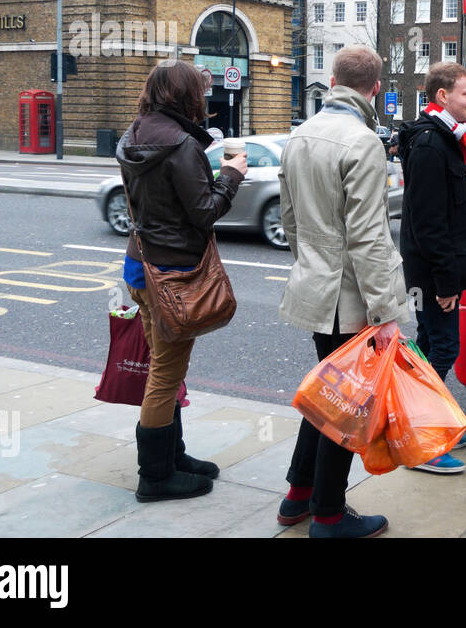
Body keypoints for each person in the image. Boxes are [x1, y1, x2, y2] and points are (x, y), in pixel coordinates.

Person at [276, 46, 402, 538]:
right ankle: (328, 515)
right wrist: (386, 310)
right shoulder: (364, 142)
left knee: (326, 398)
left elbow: (290, 222)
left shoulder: (300, 135)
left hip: (314, 288)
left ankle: (297, 496)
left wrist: (310, 268)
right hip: (349, 301)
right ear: (375, 89)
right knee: (346, 408)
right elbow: (370, 236)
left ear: (332, 80)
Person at [116, 59, 246, 503]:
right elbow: (205, 211)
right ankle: (154, 477)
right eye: (199, 89)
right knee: (165, 375)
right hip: (174, 275)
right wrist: (232, 175)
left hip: (140, 266)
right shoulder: (181, 146)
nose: (204, 97)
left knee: (166, 371)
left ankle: (174, 456)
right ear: (185, 94)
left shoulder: (133, 134)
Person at [395, 62, 466, 474]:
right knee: (443, 348)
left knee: (430, 344)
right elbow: (430, 224)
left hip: (433, 269)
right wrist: (446, 283)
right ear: (443, 96)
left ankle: (423, 425)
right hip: (433, 273)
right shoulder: (433, 145)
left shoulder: (445, 138)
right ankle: (423, 442)